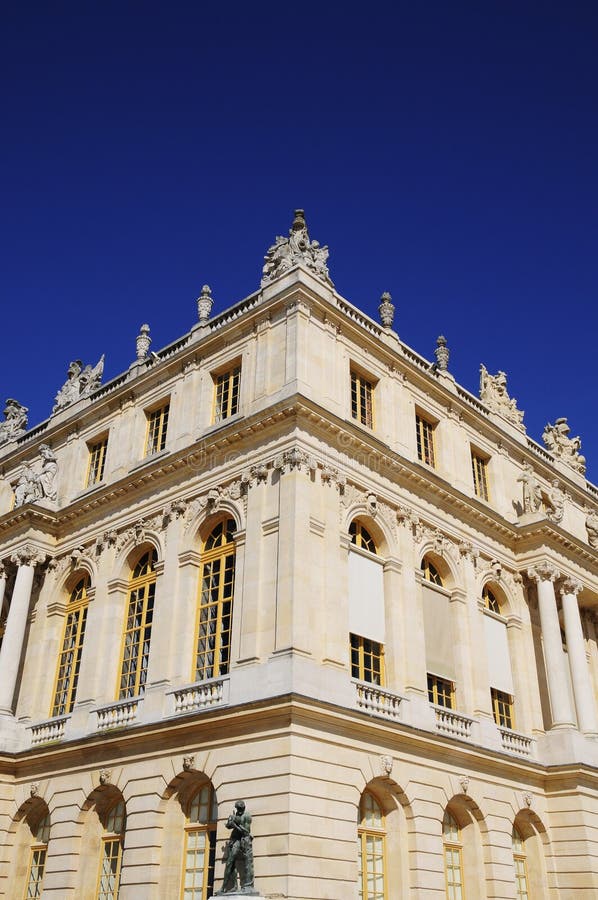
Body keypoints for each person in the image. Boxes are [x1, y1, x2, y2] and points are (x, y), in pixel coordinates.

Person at [220, 800, 254, 894]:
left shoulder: (247, 816)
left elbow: (246, 832)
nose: (238, 811)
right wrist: (230, 822)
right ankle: (224, 887)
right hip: (235, 840)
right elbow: (229, 826)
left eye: (240, 809)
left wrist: (235, 825)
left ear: (243, 808)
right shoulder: (235, 815)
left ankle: (248, 886)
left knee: (248, 863)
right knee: (229, 862)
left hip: (244, 839)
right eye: (237, 809)